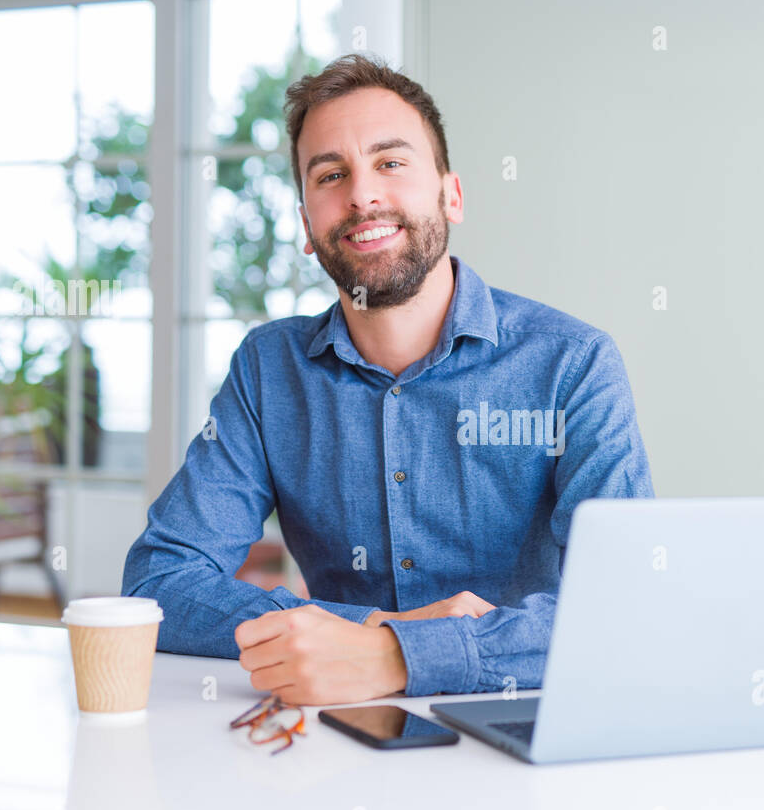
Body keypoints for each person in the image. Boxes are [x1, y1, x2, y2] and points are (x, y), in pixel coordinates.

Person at [121, 53, 654, 705]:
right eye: (331, 174)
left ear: (450, 194)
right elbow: (158, 582)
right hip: (332, 734)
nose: (363, 195)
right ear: (308, 229)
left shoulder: (574, 364)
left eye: (391, 162)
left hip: (520, 723)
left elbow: (626, 605)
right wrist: (379, 632)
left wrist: (398, 657)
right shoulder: (268, 369)